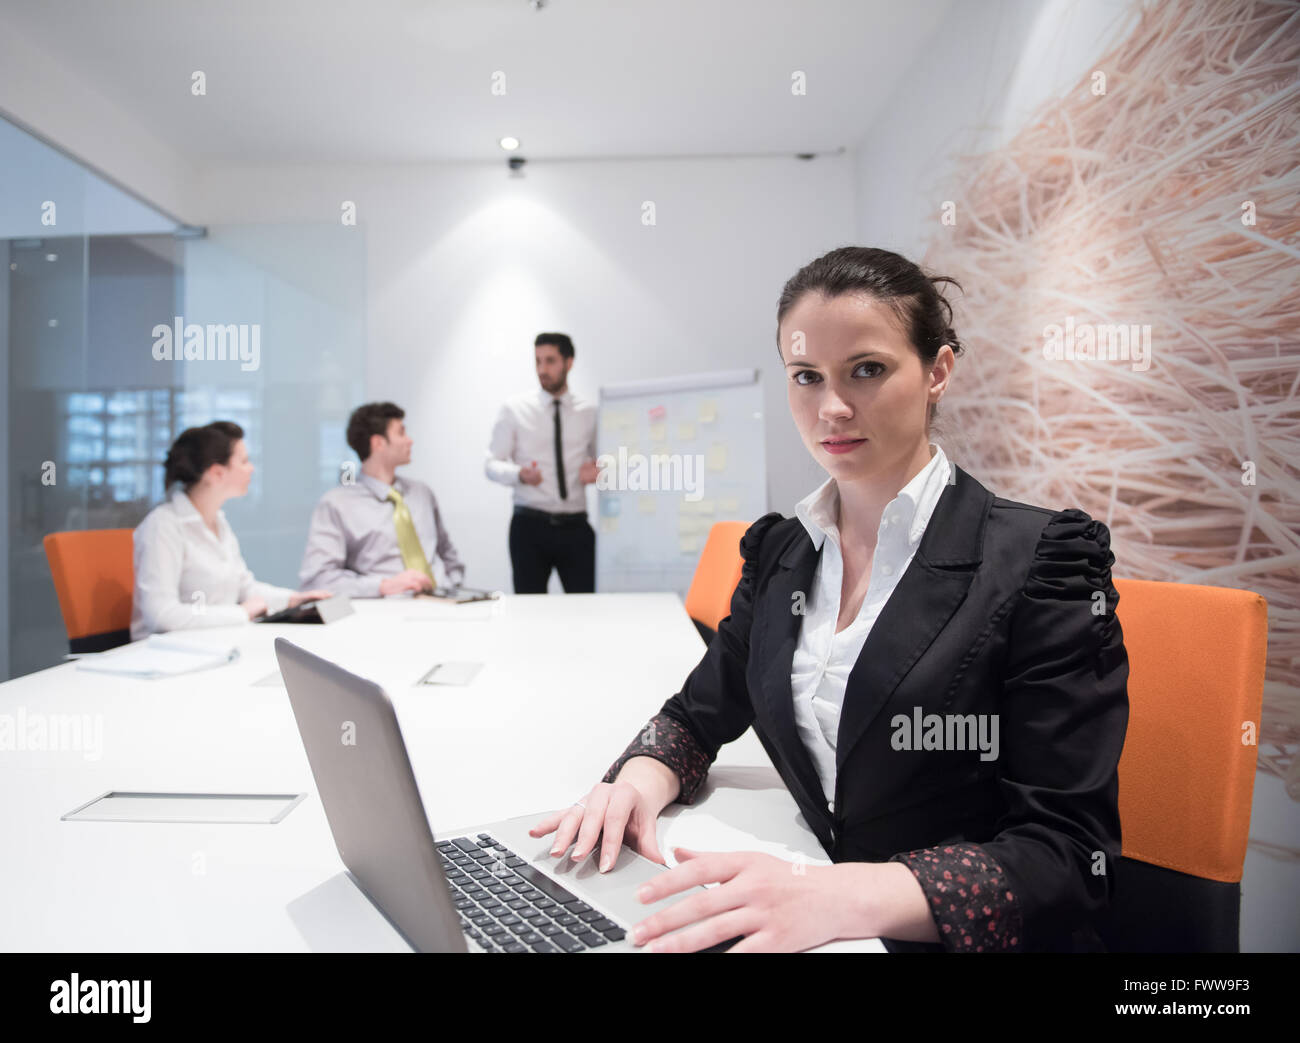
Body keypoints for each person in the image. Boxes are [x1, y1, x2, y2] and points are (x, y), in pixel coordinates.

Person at [529, 247, 1130, 953]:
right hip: (811, 916)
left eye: (867, 370)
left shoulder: (1042, 562)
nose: (832, 407)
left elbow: (1068, 854)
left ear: (938, 371)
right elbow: (697, 714)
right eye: (806, 377)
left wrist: (836, 895)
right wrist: (634, 785)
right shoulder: (785, 551)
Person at [131, 421, 331, 640]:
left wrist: (292, 600)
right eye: (244, 461)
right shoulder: (163, 525)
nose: (251, 468)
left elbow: (244, 588)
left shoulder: (219, 522)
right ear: (217, 473)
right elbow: (162, 615)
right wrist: (241, 613)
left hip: (215, 641)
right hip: (164, 654)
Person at [298, 402, 466, 598]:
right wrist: (383, 586)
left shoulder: (422, 493)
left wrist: (450, 583)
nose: (410, 441)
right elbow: (318, 580)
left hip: (443, 605)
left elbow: (448, 555)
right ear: (378, 443)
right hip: (383, 614)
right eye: (401, 433)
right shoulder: (337, 504)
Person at [484, 333, 601, 593]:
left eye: (550, 361)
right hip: (529, 528)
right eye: (537, 361)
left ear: (568, 363)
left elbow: (604, 461)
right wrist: (518, 474)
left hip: (575, 526)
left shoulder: (589, 413)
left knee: (587, 609)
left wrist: (599, 472)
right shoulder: (514, 409)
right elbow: (491, 464)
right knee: (529, 611)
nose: (542, 369)